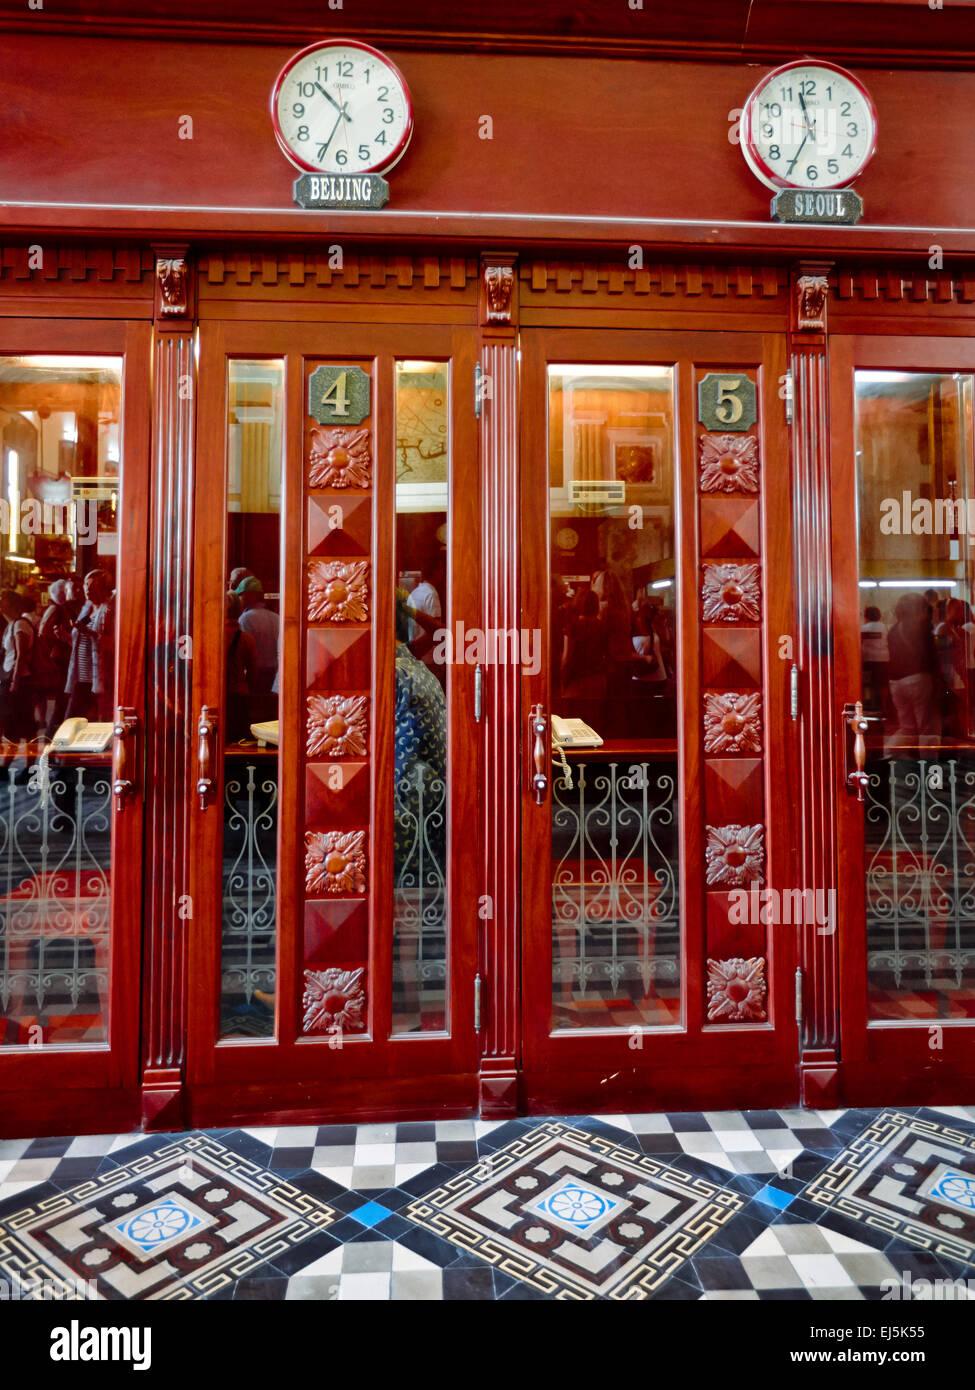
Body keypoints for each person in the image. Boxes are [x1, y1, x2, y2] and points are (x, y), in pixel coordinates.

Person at [886, 592, 942, 747]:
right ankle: (928, 761)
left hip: (896, 683)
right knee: (927, 729)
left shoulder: (893, 630)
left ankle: (888, 752)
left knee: (907, 728)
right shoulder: (920, 628)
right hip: (918, 680)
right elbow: (931, 656)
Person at [34, 579, 74, 734]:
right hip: (59, 657)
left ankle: (53, 734)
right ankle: (51, 735)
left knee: (63, 699)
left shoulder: (60, 608)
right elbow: (43, 633)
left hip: (61, 656)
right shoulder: (56, 609)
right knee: (62, 699)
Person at [0, 589, 35, 742]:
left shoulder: (20, 624)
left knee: (18, 722)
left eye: (3, 600)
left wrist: (15, 681)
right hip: (11, 677)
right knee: (13, 722)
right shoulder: (12, 624)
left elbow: (20, 655)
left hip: (19, 679)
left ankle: (26, 754)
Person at [235, 576, 279, 694]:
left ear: (250, 595)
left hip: (256, 676)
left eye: (241, 595)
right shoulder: (276, 618)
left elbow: (244, 653)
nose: (239, 599)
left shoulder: (245, 619)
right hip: (275, 675)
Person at [224, 593, 259, 742]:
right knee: (238, 738)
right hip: (239, 694)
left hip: (218, 693)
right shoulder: (247, 639)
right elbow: (253, 671)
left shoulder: (213, 635)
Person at [860, 604, 890, 718]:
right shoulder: (885, 628)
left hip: (867, 660)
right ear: (879, 615)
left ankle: (868, 706)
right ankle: (884, 707)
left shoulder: (863, 629)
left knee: (868, 685)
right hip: (883, 659)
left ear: (866, 616)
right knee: (883, 685)